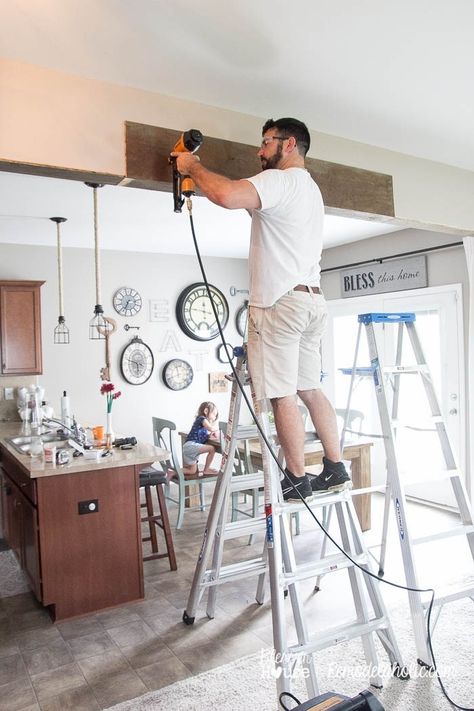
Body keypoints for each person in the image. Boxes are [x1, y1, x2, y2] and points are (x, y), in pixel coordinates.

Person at [174, 117, 351, 501]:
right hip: (311, 301)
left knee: (281, 394)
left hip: (279, 304)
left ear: (289, 145)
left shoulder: (280, 181)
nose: (259, 150)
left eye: (266, 142)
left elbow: (225, 195)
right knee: (310, 388)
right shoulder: (309, 190)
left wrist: (192, 167)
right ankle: (335, 467)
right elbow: (250, 207)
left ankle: (297, 477)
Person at [182, 401, 220, 476]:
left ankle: (172, 472)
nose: (215, 417)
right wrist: (218, 430)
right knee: (212, 449)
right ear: (206, 411)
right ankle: (206, 469)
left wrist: (210, 436)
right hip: (190, 445)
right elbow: (211, 428)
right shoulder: (202, 418)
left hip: (189, 448)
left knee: (192, 471)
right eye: (214, 414)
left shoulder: (203, 427)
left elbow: (205, 435)